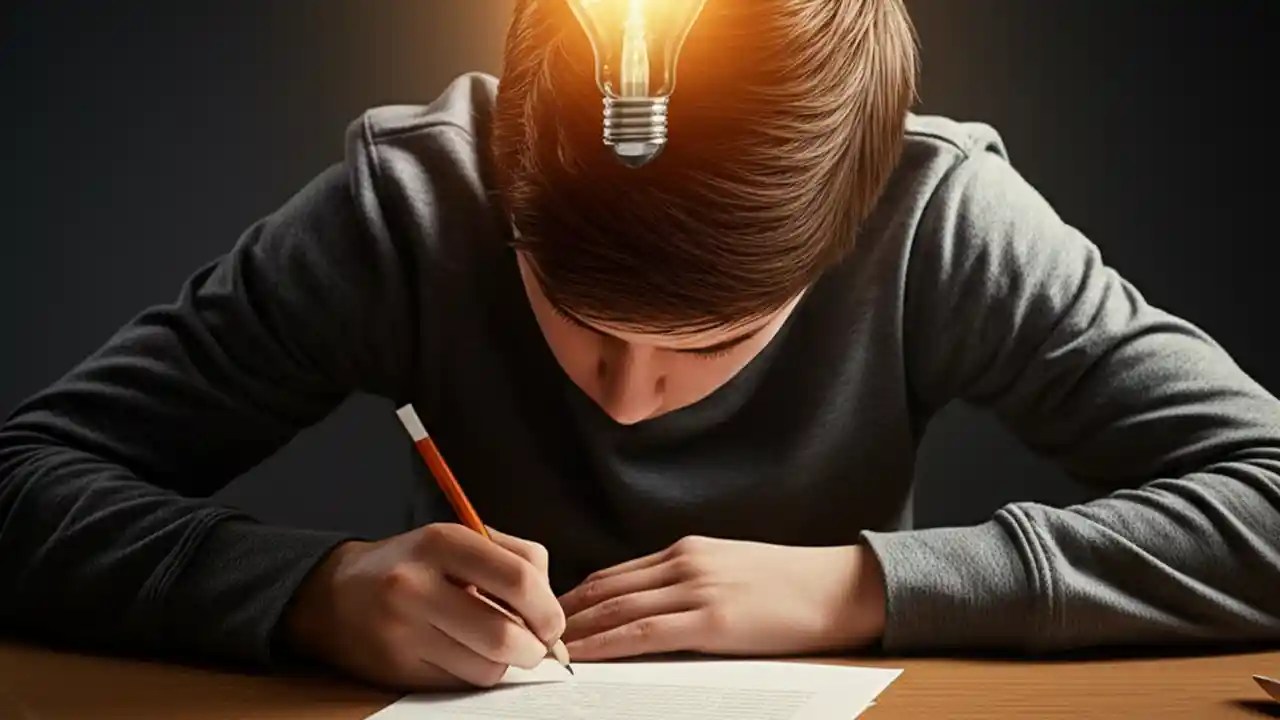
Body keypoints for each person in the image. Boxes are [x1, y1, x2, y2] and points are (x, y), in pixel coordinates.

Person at [2, 0, 1278, 693]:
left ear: (850, 225)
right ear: (508, 192)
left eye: (713, 340)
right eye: (577, 317)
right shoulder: (413, 208)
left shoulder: (930, 213)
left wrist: (859, 588)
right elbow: (23, 480)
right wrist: (309, 595)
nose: (625, 397)